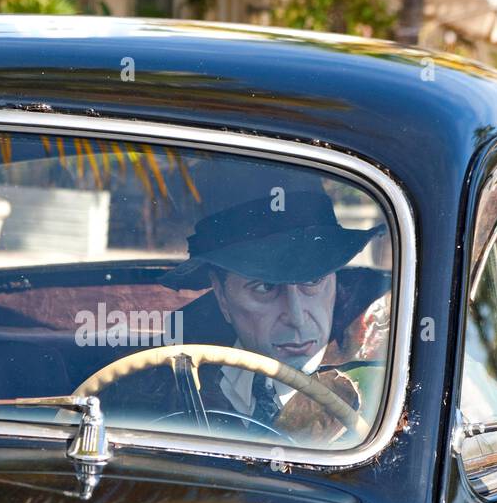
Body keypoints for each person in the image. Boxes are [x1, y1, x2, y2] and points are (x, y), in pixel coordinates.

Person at [125, 186, 389, 444]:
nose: (297, 318)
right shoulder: (165, 373)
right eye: (265, 287)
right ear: (221, 296)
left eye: (313, 280)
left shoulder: (391, 379)